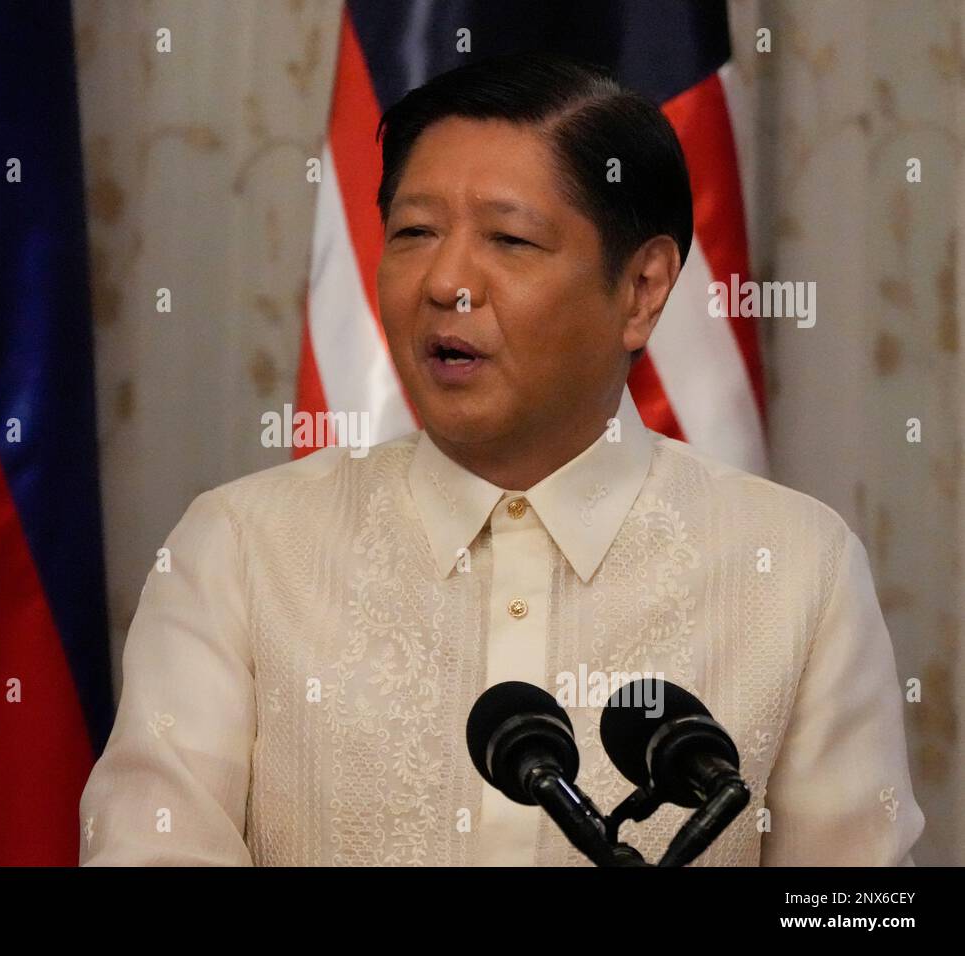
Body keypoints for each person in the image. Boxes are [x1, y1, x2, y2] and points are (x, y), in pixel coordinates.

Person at [78, 52, 923, 866]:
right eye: (413, 231)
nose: (447, 280)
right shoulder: (239, 550)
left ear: (642, 289)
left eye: (510, 241)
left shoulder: (796, 570)